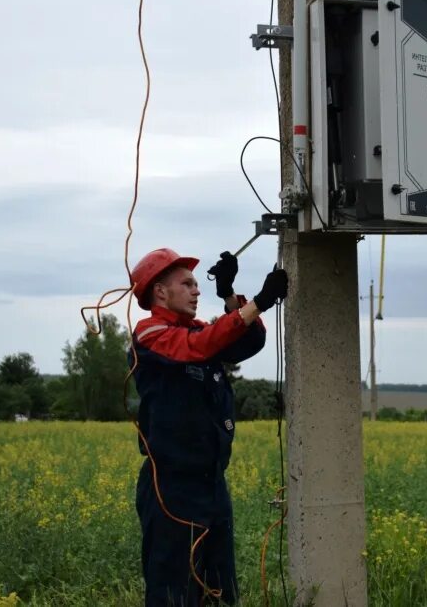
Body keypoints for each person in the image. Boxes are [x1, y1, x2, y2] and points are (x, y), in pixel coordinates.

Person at [129, 247, 288, 606]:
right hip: (171, 485)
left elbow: (248, 340)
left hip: (212, 484)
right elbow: (200, 347)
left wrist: (230, 294)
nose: (196, 290)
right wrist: (261, 301)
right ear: (160, 292)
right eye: (187, 284)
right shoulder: (151, 333)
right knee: (173, 591)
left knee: (219, 589)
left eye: (199, 285)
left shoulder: (198, 331)